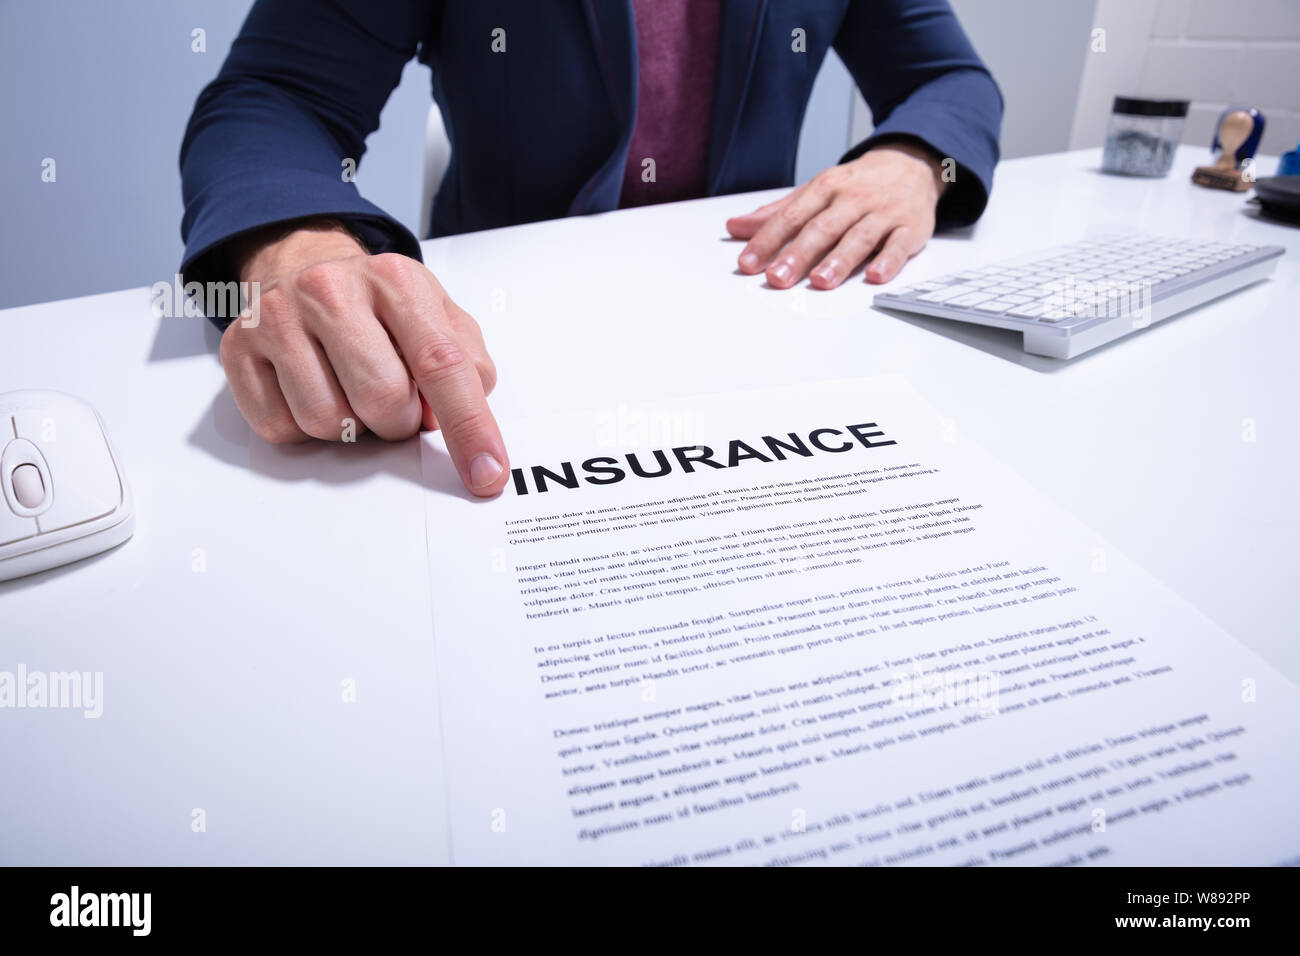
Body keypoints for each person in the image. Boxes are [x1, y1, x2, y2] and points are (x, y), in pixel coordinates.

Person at [180, 0, 1002, 497]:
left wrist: (915, 157)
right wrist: (292, 243)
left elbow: (950, 79)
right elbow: (275, 97)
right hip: (505, 354)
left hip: (762, 324)